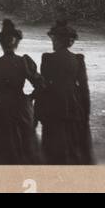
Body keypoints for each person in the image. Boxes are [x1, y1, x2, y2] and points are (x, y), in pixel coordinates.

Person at [34, 19, 94, 164]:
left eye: (54, 39)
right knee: (72, 140)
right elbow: (84, 88)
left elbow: (44, 86)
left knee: (53, 142)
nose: (53, 42)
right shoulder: (78, 59)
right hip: (73, 104)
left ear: (61, 41)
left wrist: (37, 111)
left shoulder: (48, 59)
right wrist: (85, 112)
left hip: (53, 104)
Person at [0, 18, 41, 163]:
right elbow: (40, 83)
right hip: (20, 107)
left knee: (5, 147)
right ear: (17, 43)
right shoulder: (23, 61)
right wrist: (29, 98)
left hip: (2, 108)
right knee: (24, 145)